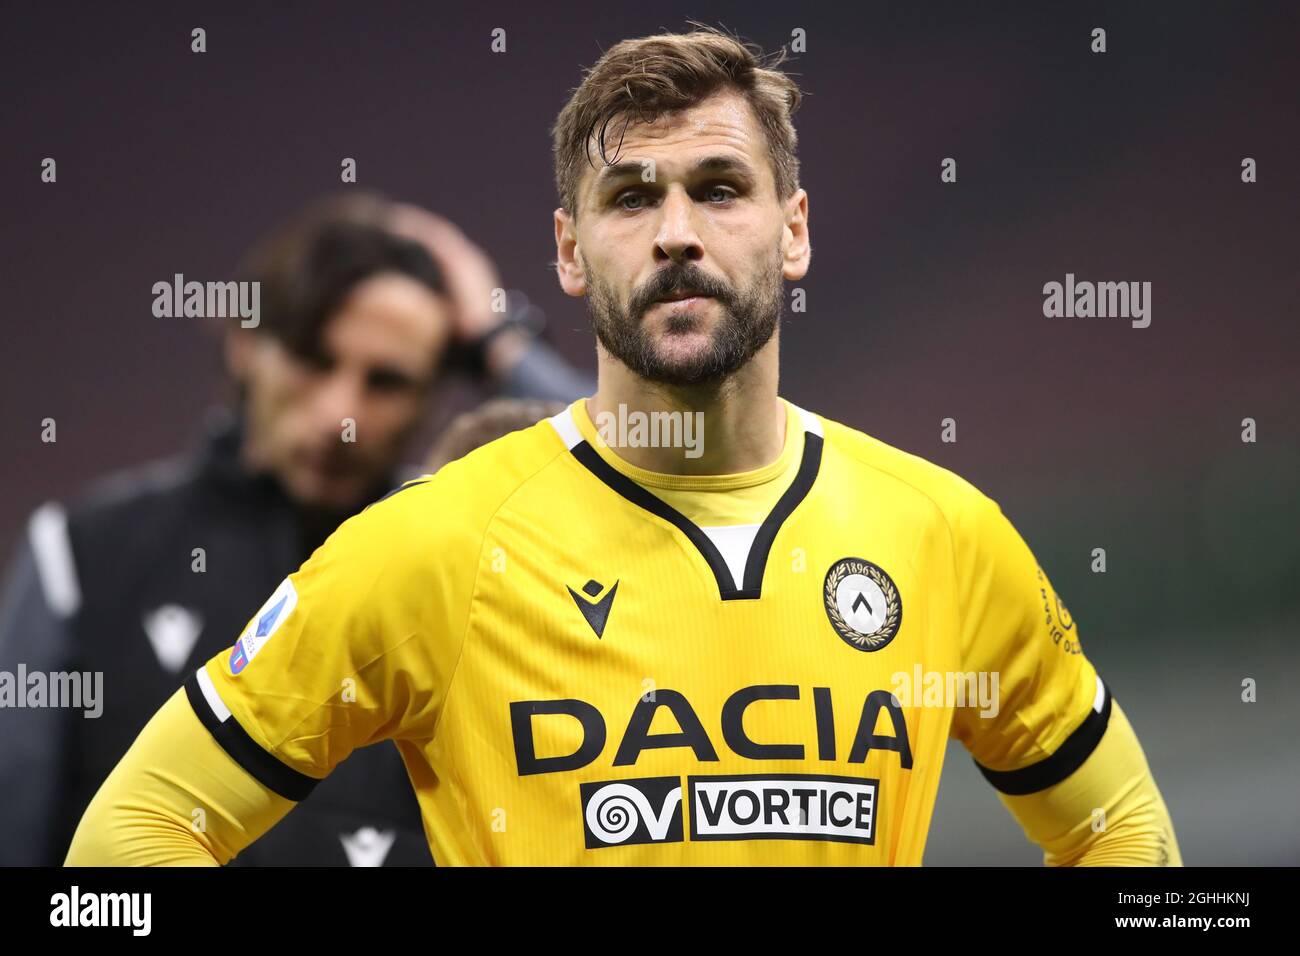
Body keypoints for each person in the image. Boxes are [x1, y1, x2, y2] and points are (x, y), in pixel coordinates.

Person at [66, 27, 1180, 866]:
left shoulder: (945, 534)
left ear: (793, 230)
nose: (677, 229)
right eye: (630, 196)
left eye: (721, 188)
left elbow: (1123, 827)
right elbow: (127, 842)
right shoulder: (433, 546)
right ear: (567, 249)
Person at [0, 192, 592, 866]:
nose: (340, 413)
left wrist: (498, 339)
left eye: (387, 381)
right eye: (314, 359)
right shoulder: (80, 555)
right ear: (245, 342)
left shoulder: (467, 550)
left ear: (434, 394)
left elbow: (625, 483)